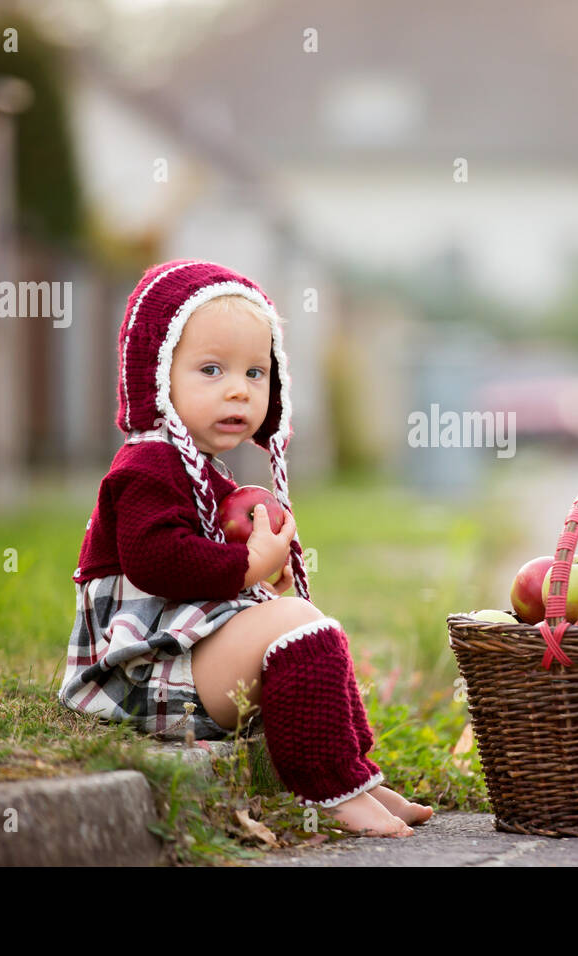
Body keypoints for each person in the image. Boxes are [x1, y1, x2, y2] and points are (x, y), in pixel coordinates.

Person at [58, 259, 430, 837]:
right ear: (157, 377)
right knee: (298, 623)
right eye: (211, 369)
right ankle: (329, 789)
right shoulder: (145, 467)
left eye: (256, 372)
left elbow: (217, 581)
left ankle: (355, 772)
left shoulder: (204, 471)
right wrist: (247, 566)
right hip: (144, 679)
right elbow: (155, 561)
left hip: (186, 661)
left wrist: (265, 576)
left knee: (307, 620)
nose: (238, 388)